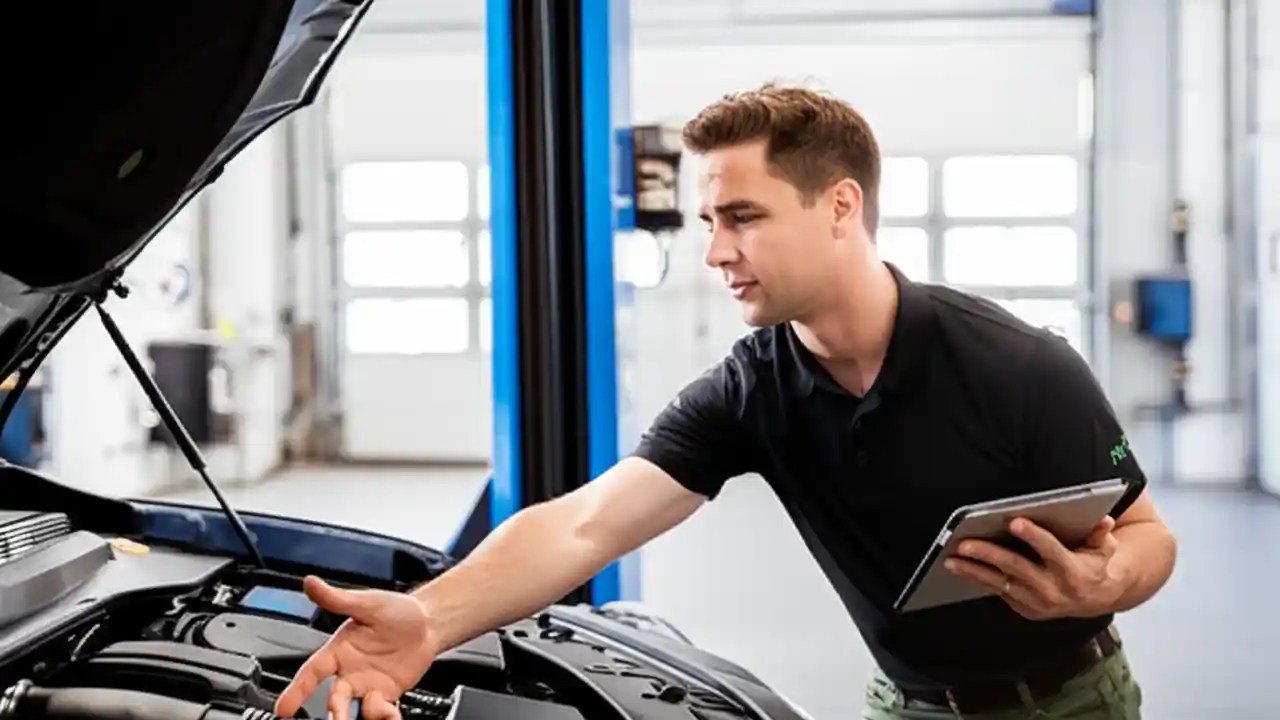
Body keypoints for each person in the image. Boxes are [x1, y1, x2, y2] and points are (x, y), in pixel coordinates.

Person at [274, 83, 1177, 720]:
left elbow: (1149, 539)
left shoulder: (1016, 366)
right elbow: (585, 524)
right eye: (709, 222)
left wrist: (1098, 583)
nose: (715, 252)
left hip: (1067, 703)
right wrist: (431, 615)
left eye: (743, 217)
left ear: (840, 206)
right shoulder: (754, 388)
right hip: (903, 704)